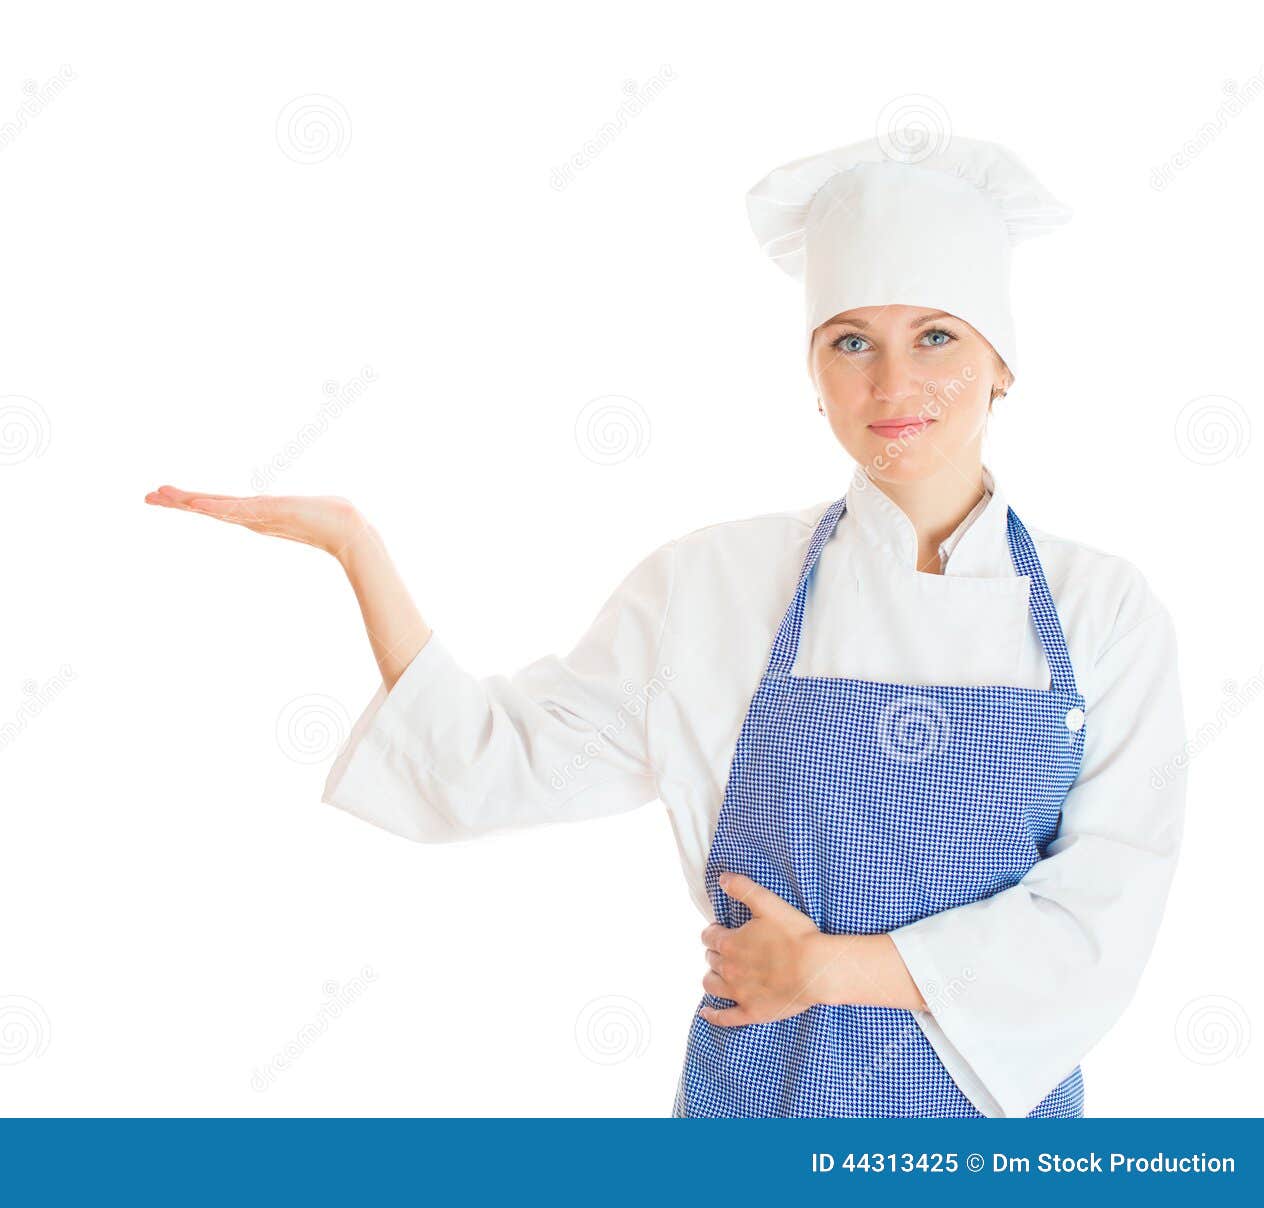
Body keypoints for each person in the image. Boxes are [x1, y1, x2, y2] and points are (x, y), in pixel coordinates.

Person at [144, 135, 1187, 1118]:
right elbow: (483, 762)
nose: (892, 383)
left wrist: (828, 967)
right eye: (851, 341)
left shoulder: (1104, 609)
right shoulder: (717, 586)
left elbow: (1105, 913)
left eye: (937, 337)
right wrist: (358, 549)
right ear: (811, 374)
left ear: (1003, 362)